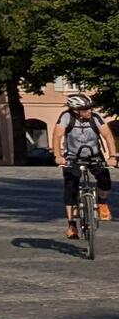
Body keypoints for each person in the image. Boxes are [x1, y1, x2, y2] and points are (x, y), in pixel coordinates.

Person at [55, 92, 115, 240]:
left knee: (105, 180)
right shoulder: (66, 117)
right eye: (86, 109)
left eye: (90, 108)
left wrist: (113, 157)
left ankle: (102, 203)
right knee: (71, 186)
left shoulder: (96, 118)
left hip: (94, 155)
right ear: (76, 110)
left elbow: (107, 136)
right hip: (72, 157)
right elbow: (57, 136)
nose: (90, 111)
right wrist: (58, 156)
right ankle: (72, 225)